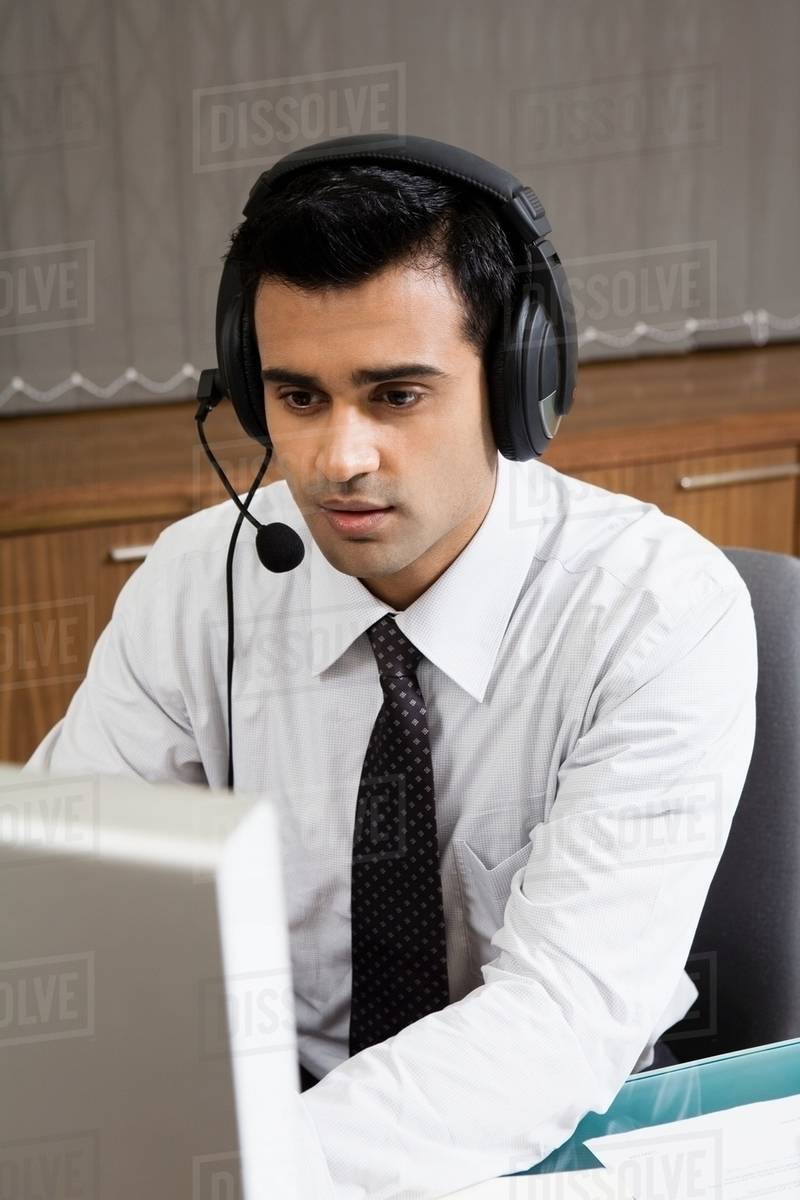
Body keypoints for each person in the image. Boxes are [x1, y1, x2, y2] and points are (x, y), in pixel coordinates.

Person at [25, 155, 758, 1199]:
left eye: (396, 394)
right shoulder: (199, 580)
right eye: (297, 398)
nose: (339, 458)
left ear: (516, 384)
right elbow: (67, 897)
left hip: (553, 1135)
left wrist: (258, 1174)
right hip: (272, 1119)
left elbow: (558, 1018)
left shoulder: (652, 610)